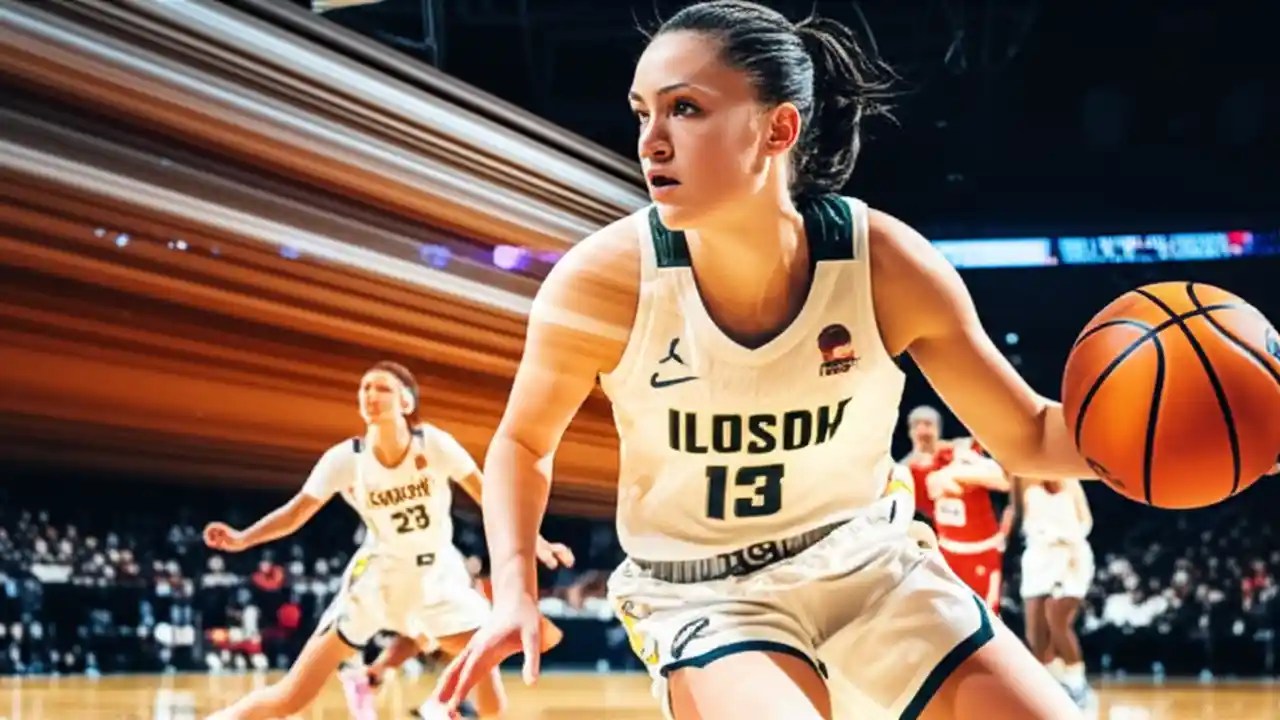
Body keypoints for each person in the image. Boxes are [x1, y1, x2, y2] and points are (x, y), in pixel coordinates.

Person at [430, 2, 1098, 718]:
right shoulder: (608, 279)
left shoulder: (885, 264)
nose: (651, 141)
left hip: (870, 566)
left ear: (780, 128)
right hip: (706, 592)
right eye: (641, 113)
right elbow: (524, 442)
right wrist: (514, 590)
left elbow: (1029, 433)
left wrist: (1167, 457)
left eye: (684, 109)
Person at [201, 361, 572, 720]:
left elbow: (488, 494)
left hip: (437, 576)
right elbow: (296, 512)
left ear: (406, 402)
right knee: (291, 697)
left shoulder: (434, 445)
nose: (370, 394)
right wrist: (242, 539)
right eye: (364, 388)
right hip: (380, 578)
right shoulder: (346, 459)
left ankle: (424, 702)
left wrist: (533, 539)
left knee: (492, 704)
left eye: (382, 388)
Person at [1005, 475, 1095, 708]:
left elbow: (1086, 521)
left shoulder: (1070, 478)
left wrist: (1067, 538)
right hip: (1039, 555)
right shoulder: (1021, 476)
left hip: (1071, 553)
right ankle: (1052, 687)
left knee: (1058, 620)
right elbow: (1017, 515)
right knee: (1036, 633)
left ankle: (1078, 684)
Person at [923, 437, 1010, 612]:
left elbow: (1004, 481)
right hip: (948, 552)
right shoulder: (935, 470)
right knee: (947, 610)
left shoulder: (983, 465)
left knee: (986, 612)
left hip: (981, 552)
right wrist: (953, 473)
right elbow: (937, 485)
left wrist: (959, 472)